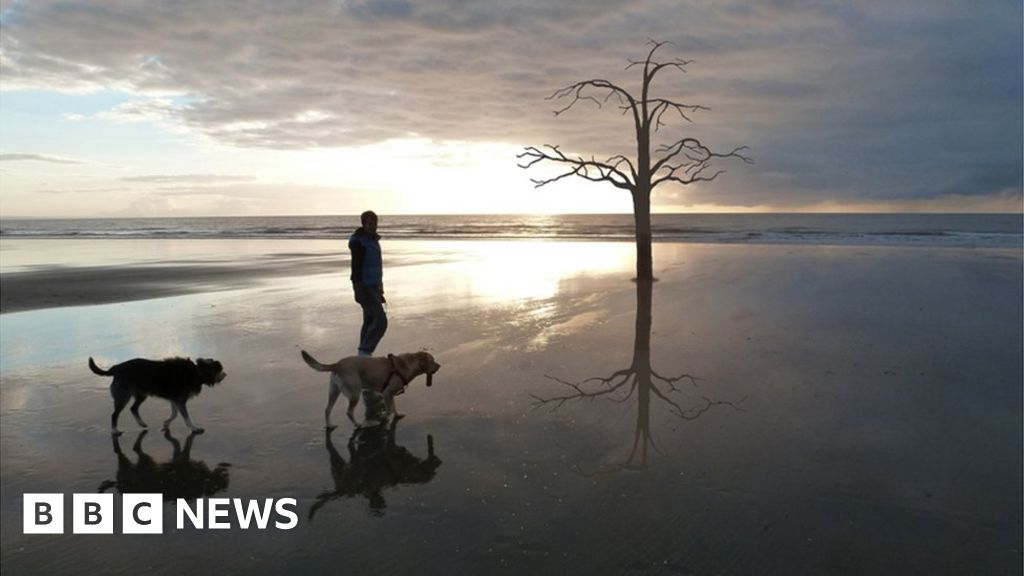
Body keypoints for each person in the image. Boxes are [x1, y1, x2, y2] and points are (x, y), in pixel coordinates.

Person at [349, 210, 387, 356]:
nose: (373, 226)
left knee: (370, 320)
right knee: (381, 321)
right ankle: (365, 353)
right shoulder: (358, 242)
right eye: (370, 223)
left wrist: (380, 286)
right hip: (364, 286)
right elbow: (356, 268)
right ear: (363, 224)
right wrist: (358, 287)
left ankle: (361, 356)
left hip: (375, 286)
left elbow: (377, 265)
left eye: (375, 223)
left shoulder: (374, 241)